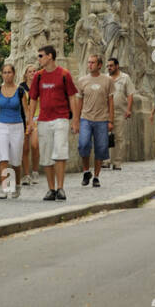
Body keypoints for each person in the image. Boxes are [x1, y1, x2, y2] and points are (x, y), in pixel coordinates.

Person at [26, 45, 78, 201]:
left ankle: (61, 187)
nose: (39, 59)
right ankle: (51, 189)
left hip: (61, 118)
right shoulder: (38, 76)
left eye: (41, 56)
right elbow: (33, 98)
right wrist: (30, 121)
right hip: (43, 120)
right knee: (47, 156)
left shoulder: (64, 74)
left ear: (49, 56)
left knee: (59, 153)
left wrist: (75, 119)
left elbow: (72, 97)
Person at [0, 61, 28, 198]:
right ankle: (6, 188)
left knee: (16, 160)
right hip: (2, 125)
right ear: (2, 74)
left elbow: (26, 111)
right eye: (4, 72)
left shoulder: (21, 91)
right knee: (3, 158)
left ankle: (16, 185)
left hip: (17, 126)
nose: (7, 75)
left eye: (9, 72)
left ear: (14, 74)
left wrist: (30, 126)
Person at [75, 54, 114, 188]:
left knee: (101, 148)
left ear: (99, 65)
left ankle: (96, 176)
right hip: (86, 118)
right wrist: (76, 120)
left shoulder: (107, 80)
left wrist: (111, 120)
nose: (90, 65)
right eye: (88, 62)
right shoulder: (82, 80)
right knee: (83, 145)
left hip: (102, 119)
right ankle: (86, 171)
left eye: (93, 63)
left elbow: (111, 101)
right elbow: (79, 101)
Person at [105, 57, 135, 170]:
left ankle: (117, 162)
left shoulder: (125, 78)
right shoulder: (106, 78)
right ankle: (106, 160)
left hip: (120, 111)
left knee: (119, 137)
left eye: (111, 66)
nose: (109, 68)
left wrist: (128, 109)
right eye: (108, 66)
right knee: (105, 136)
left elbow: (130, 94)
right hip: (106, 112)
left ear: (117, 66)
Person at [20, 63, 40, 186]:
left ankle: (35, 171)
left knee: (34, 145)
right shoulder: (21, 88)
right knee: (25, 148)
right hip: (23, 119)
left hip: (37, 118)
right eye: (30, 71)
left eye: (34, 71)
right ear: (26, 74)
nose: (32, 73)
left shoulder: (40, 86)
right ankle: (26, 175)